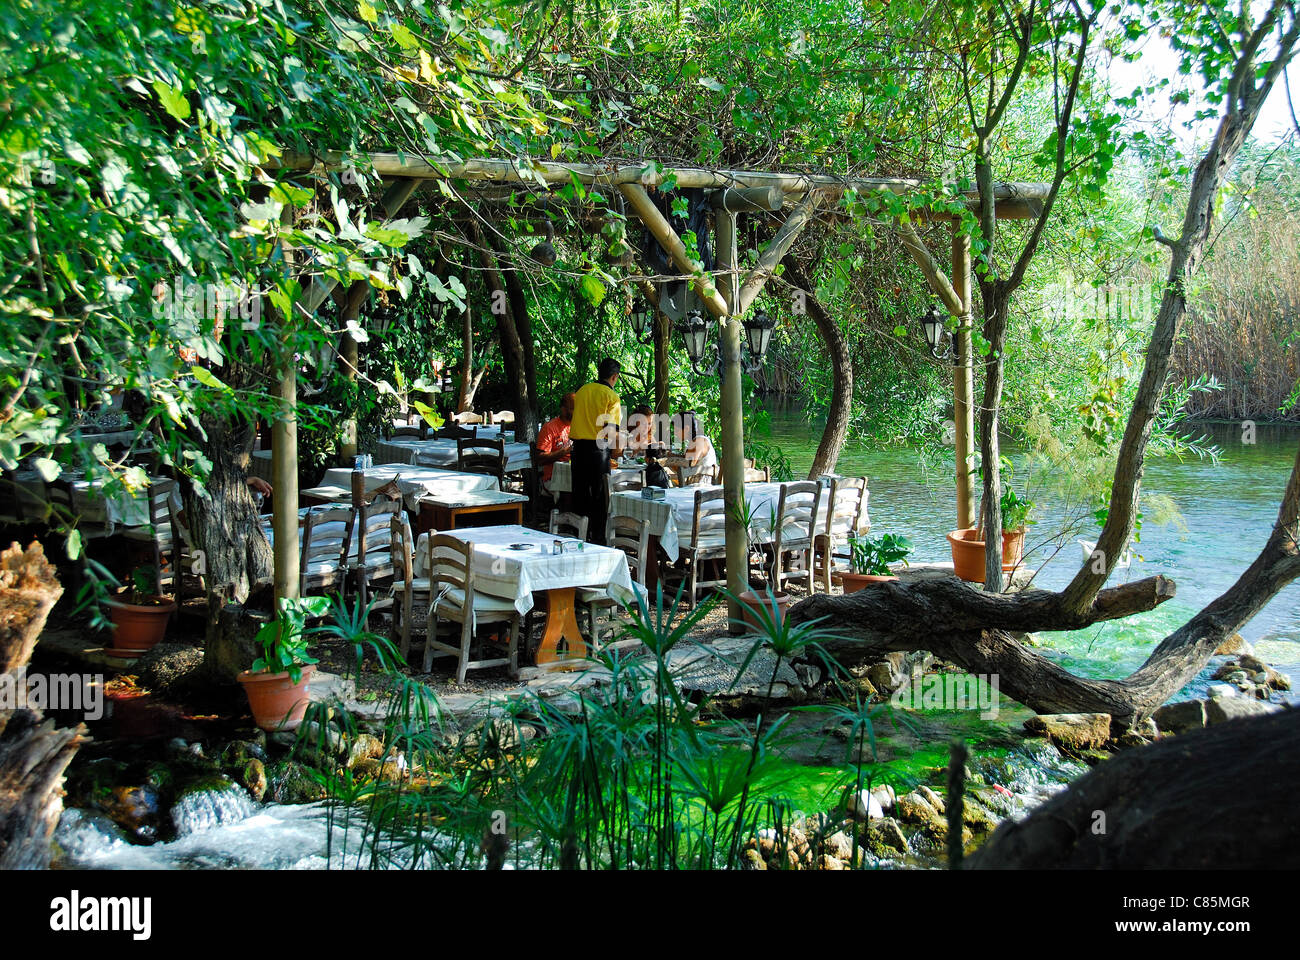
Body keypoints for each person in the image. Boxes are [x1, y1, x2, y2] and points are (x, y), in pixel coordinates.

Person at [570, 358, 622, 544]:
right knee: (600, 498)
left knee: (580, 494)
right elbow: (611, 430)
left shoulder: (583, 390)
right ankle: (598, 540)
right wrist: (617, 451)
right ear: (614, 376)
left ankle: (578, 537)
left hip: (577, 450)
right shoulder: (612, 396)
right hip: (597, 451)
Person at [535, 392, 575, 492]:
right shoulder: (549, 428)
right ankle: (562, 508)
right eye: (574, 408)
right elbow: (540, 459)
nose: (578, 412)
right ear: (563, 409)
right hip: (553, 478)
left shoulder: (578, 426)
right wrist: (565, 451)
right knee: (573, 490)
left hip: (574, 474)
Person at [676, 409, 717, 485]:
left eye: (677, 430)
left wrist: (667, 461)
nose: (675, 434)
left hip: (702, 488)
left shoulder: (699, 441)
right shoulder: (695, 441)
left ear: (686, 429)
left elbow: (689, 464)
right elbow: (686, 458)